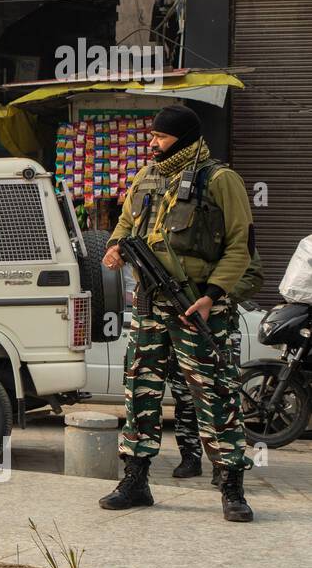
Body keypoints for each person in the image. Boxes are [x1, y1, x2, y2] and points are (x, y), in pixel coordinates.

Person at [100, 104, 256, 521]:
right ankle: (135, 480)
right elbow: (124, 225)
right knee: (140, 390)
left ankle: (232, 487)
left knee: (215, 393)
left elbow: (241, 246)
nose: (152, 143)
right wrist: (115, 248)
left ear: (184, 138)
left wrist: (210, 295)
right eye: (152, 136)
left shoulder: (222, 180)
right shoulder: (146, 177)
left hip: (198, 307)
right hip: (151, 306)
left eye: (161, 137)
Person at [168, 248, 263, 485]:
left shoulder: (233, 242)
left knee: (222, 396)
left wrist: (218, 295)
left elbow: (253, 276)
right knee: (184, 395)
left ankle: (222, 466)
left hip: (221, 328)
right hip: (183, 325)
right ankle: (190, 457)